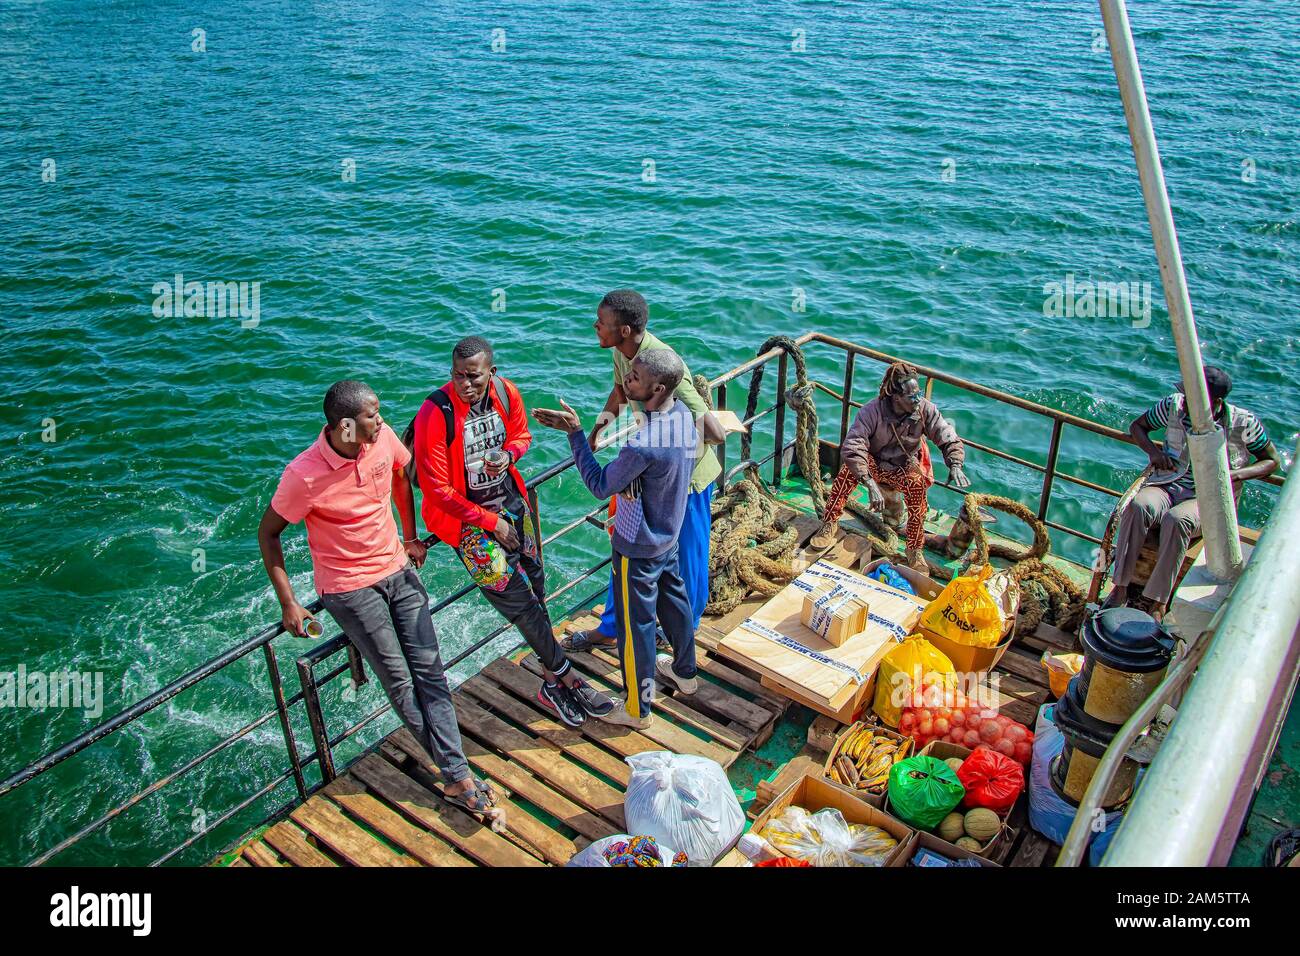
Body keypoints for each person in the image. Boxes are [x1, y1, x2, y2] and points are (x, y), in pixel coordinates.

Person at [257, 380, 495, 816]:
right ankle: (458, 775)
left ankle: (454, 768)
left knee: (430, 671)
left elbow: (402, 476)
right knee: (400, 681)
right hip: (347, 588)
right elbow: (268, 533)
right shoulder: (303, 475)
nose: (381, 420)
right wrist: (288, 602)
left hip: (397, 570)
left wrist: (409, 537)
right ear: (345, 426)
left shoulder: (382, 439)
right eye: (371, 414)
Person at [410, 336, 614, 727]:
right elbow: (437, 490)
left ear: (492, 373)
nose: (465, 385)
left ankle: (551, 679)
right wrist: (492, 524)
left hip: (512, 504)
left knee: (537, 586)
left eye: (473, 377)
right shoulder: (435, 414)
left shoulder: (506, 393)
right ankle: (566, 676)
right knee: (517, 601)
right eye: (457, 376)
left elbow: (521, 436)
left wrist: (509, 455)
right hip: (469, 526)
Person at [533, 349, 701, 729]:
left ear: (658, 387)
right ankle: (685, 674)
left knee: (634, 628)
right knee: (674, 604)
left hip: (637, 549)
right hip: (668, 535)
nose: (627, 381)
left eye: (636, 377)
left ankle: (637, 710)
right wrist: (637, 479)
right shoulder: (682, 415)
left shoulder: (642, 445)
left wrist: (576, 434)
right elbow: (669, 465)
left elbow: (599, 484)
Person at [563, 289, 725, 653]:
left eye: (601, 323)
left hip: (689, 479)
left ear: (623, 330)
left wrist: (663, 452)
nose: (595, 327)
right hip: (650, 473)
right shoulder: (624, 356)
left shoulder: (664, 366)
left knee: (688, 558)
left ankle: (686, 631)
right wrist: (595, 433)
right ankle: (611, 627)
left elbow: (713, 432)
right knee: (627, 551)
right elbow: (620, 394)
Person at [1106, 365, 1280, 620]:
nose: (1186, 401)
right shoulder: (1172, 406)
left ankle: (1157, 600)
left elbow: (1271, 460)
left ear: (1215, 402)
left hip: (1208, 498)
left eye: (1194, 398)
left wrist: (1235, 475)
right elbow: (1138, 426)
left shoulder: (1244, 423)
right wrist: (1154, 453)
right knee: (1138, 505)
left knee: (1177, 520)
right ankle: (1119, 587)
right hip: (1168, 484)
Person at [809, 361, 969, 571]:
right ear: (896, 397)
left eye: (918, 394)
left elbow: (946, 435)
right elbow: (853, 446)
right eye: (911, 396)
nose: (917, 399)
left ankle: (914, 548)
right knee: (848, 471)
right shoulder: (871, 412)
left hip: (903, 467)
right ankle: (830, 521)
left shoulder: (924, 410)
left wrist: (955, 463)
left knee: (918, 492)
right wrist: (869, 483)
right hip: (873, 465)